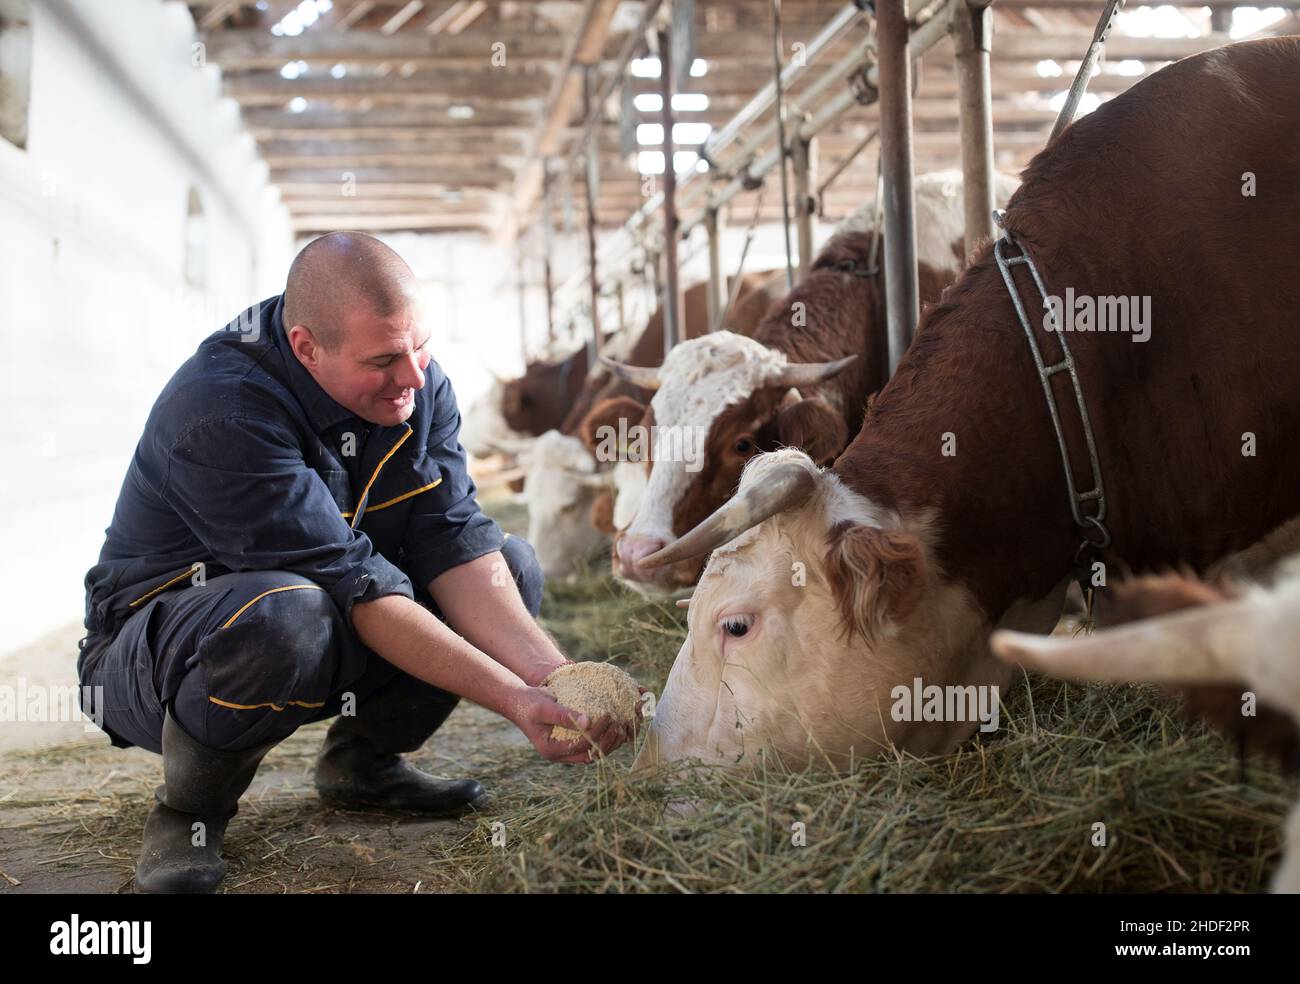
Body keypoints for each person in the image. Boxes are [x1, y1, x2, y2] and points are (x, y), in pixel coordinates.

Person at [79, 232, 634, 894]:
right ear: (308, 347)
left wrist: (558, 677)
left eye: (419, 346)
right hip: (157, 658)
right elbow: (357, 586)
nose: (414, 377)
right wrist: (514, 701)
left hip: (325, 622)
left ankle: (362, 767)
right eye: (384, 360)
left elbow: (452, 539)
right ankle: (188, 815)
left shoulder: (419, 385)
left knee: (507, 565)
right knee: (286, 613)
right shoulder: (222, 409)